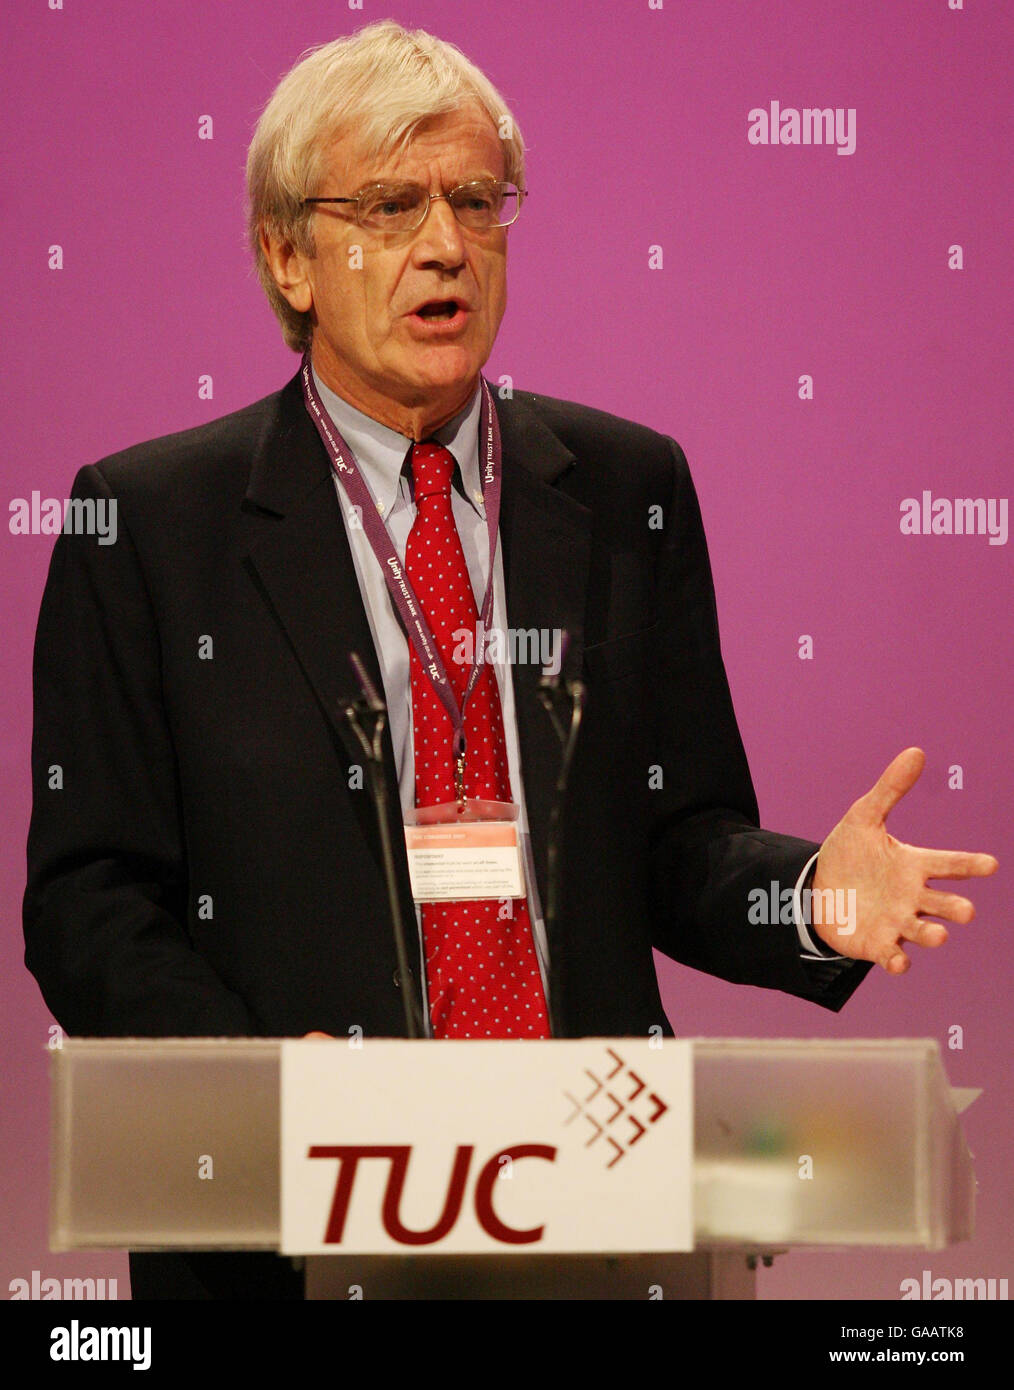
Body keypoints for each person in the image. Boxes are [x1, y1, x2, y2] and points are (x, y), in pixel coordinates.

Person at [23, 20, 996, 1299]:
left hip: (594, 1205)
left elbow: (674, 840)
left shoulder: (623, 486)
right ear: (287, 254)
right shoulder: (151, 524)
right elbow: (88, 899)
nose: (445, 244)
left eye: (476, 201)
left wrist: (808, 897)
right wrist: (268, 1088)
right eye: (391, 204)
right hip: (293, 1231)